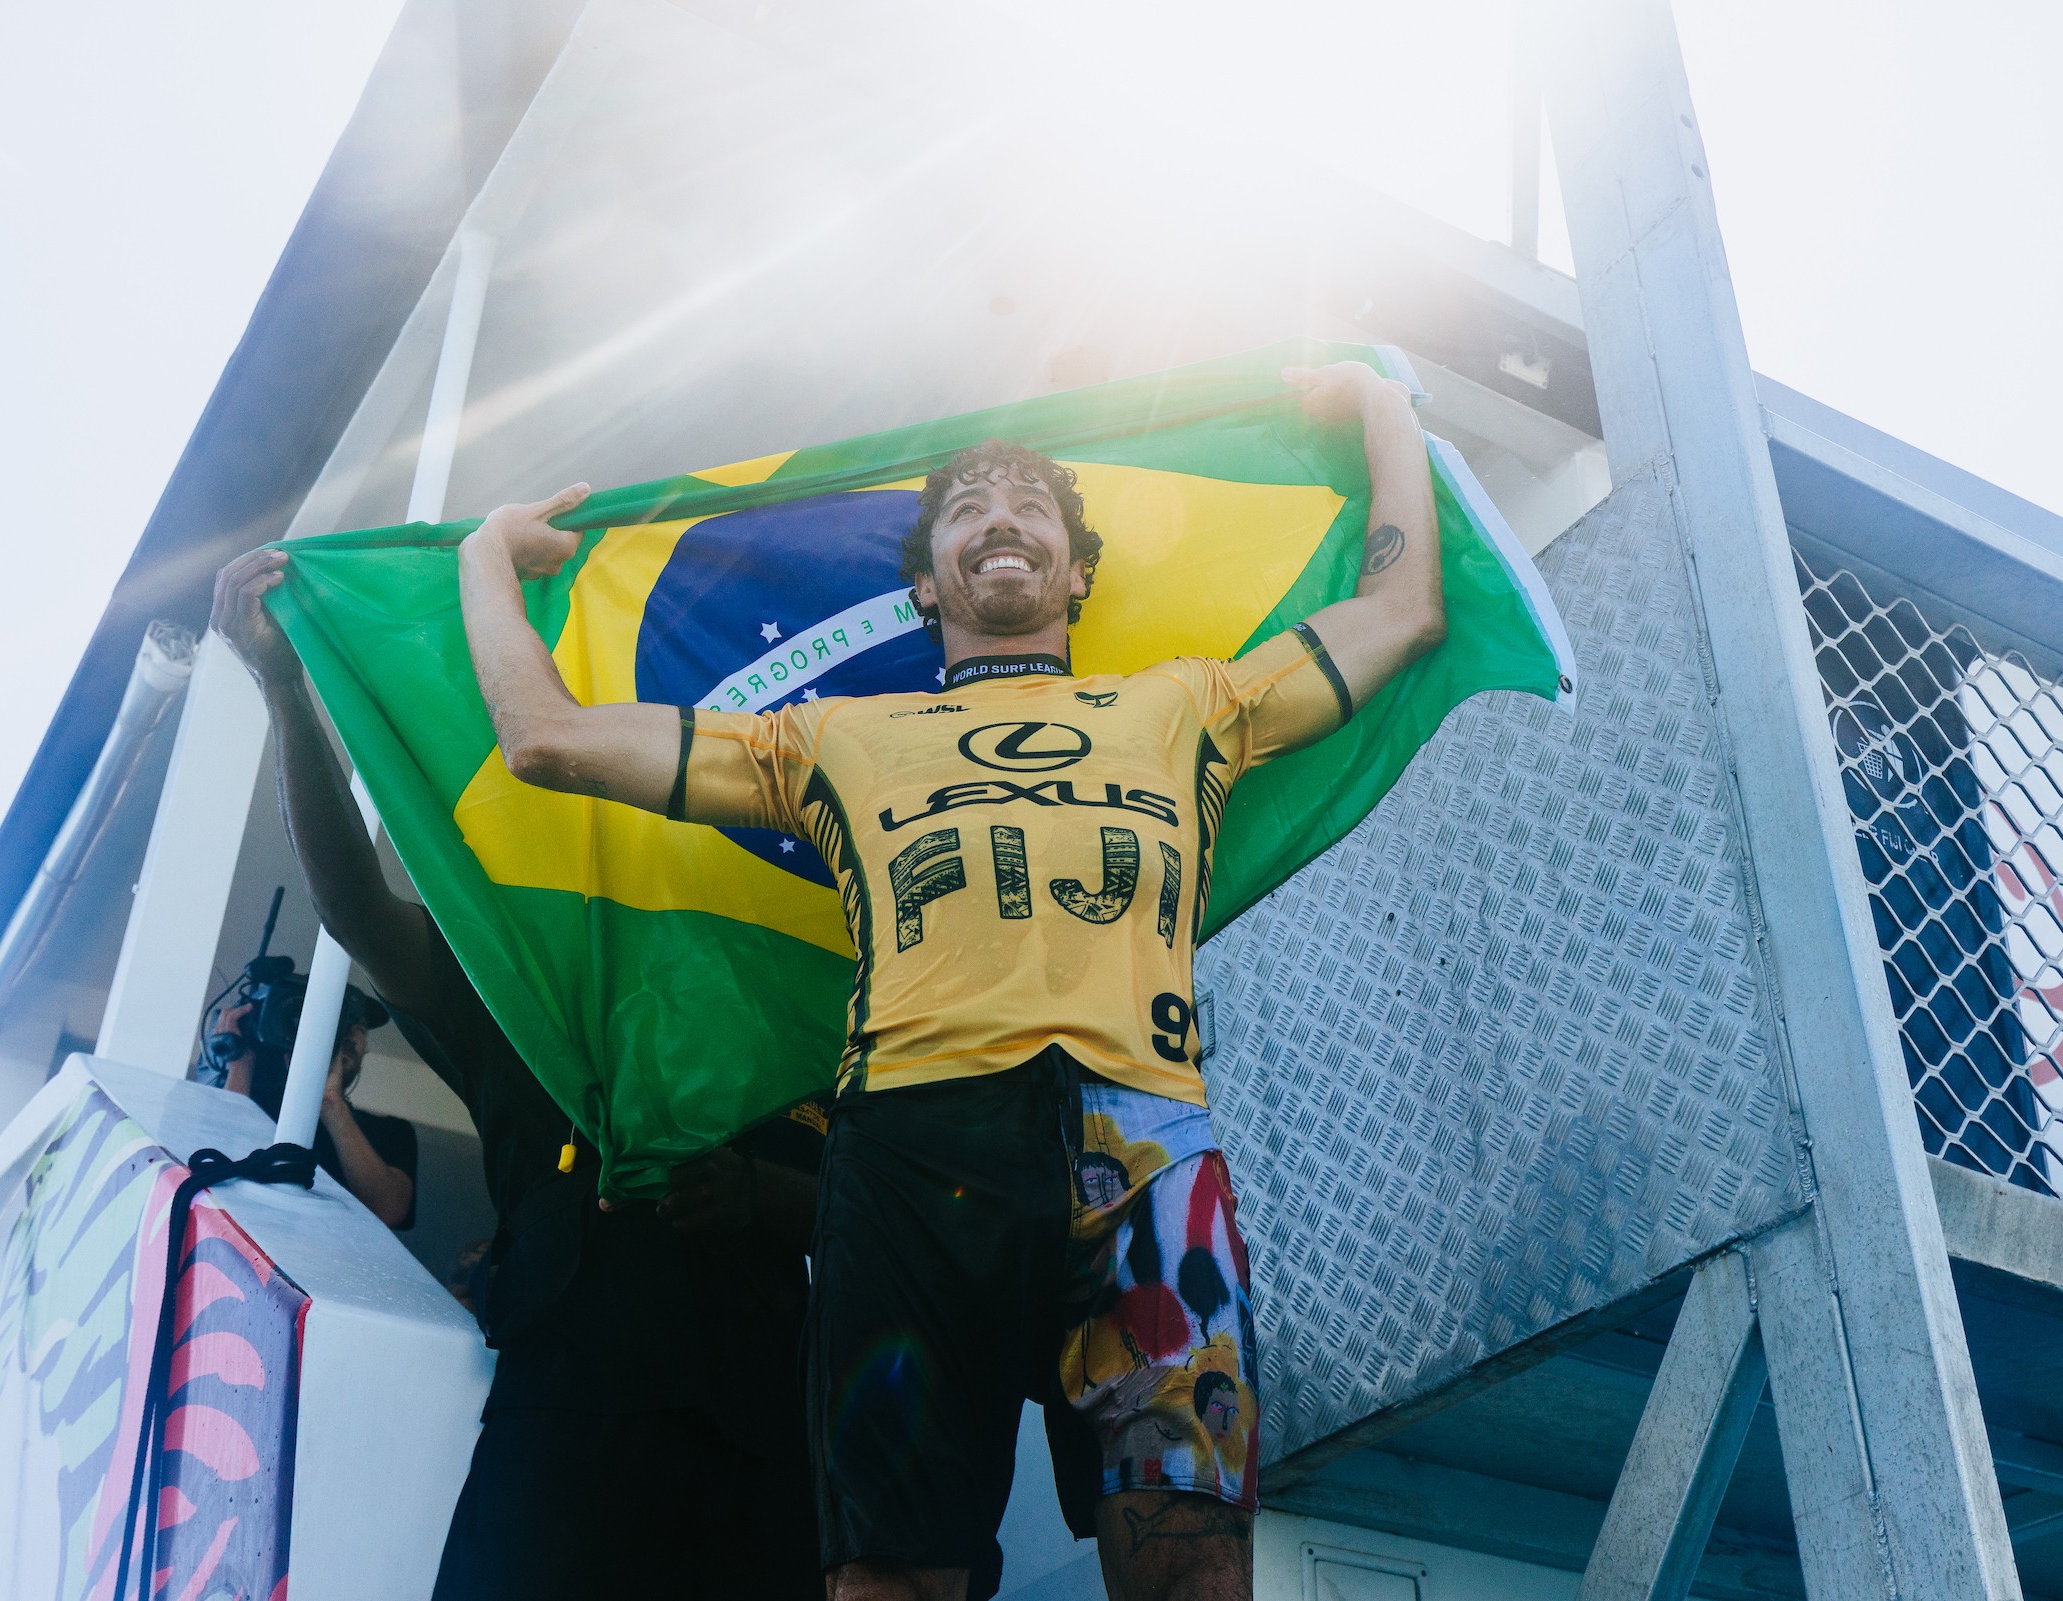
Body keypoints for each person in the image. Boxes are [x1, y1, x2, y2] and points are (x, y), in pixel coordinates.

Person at [456, 359, 1445, 1601]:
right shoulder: (828, 734)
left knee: (1195, 1575)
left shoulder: (1190, 702)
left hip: (1146, 1156)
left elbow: (1403, 611)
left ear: (1077, 573)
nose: (1001, 517)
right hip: (913, 1157)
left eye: (1031, 502)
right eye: (967, 507)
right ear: (926, 583)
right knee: (890, 1585)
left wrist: (1381, 406)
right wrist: (485, 559)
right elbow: (545, 738)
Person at [211, 549, 828, 1601]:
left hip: (765, 1437)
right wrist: (285, 689)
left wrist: (755, 1195)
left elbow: (874, 1203)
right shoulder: (519, 984)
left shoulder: (788, 982)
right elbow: (355, 907)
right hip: (569, 1416)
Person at [214, 985, 419, 1229]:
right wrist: (240, 1061)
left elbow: (389, 1210)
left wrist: (331, 1105)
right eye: (337, 1025)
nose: (349, 1037)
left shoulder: (390, 1131)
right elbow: (214, 1158)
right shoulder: (253, 1103)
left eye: (359, 1028)